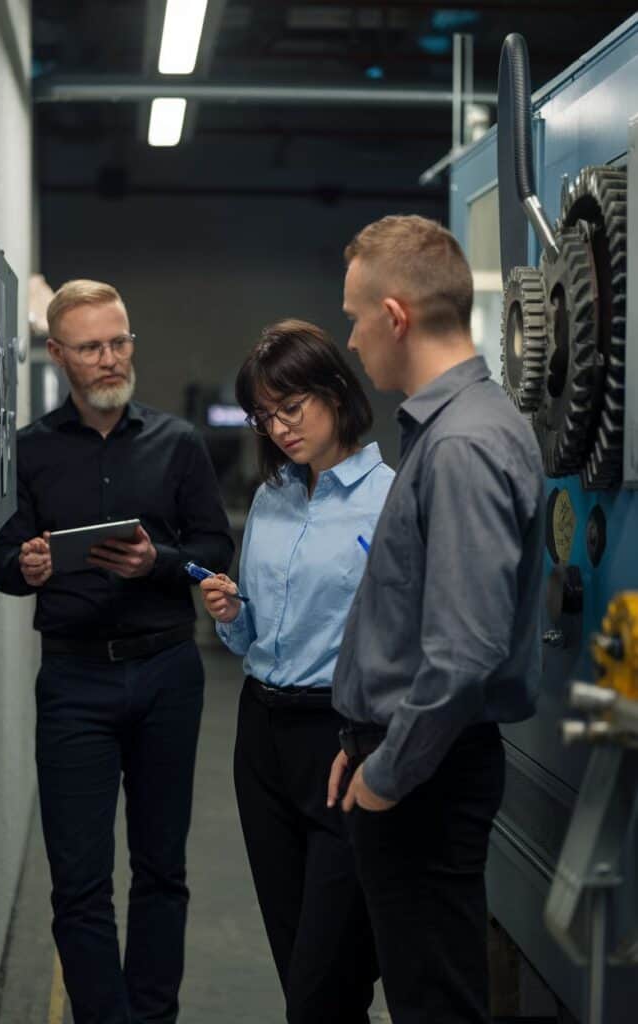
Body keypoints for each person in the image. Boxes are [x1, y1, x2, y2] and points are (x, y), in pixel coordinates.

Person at [0, 279, 233, 1024]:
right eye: (90, 347)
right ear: (57, 354)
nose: (108, 358)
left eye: (118, 341)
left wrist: (157, 562)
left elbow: (213, 547)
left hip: (165, 671)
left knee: (162, 869)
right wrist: (24, 568)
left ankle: (152, 1016)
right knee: (80, 881)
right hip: (73, 681)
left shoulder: (177, 444)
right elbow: (2, 560)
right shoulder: (29, 452)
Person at [327, 215, 545, 1024]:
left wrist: (388, 771)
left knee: (434, 1002)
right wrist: (367, 744)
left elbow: (462, 652)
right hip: (408, 759)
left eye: (353, 316)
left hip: (426, 775)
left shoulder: (460, 446)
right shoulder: (459, 429)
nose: (350, 339)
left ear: (394, 317)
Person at [199, 319, 393, 1024]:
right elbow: (254, 632)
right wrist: (229, 611)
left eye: (291, 407)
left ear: (335, 392)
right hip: (261, 740)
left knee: (326, 975)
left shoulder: (390, 501)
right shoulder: (274, 499)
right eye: (264, 415)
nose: (278, 428)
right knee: (297, 965)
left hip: (341, 742)